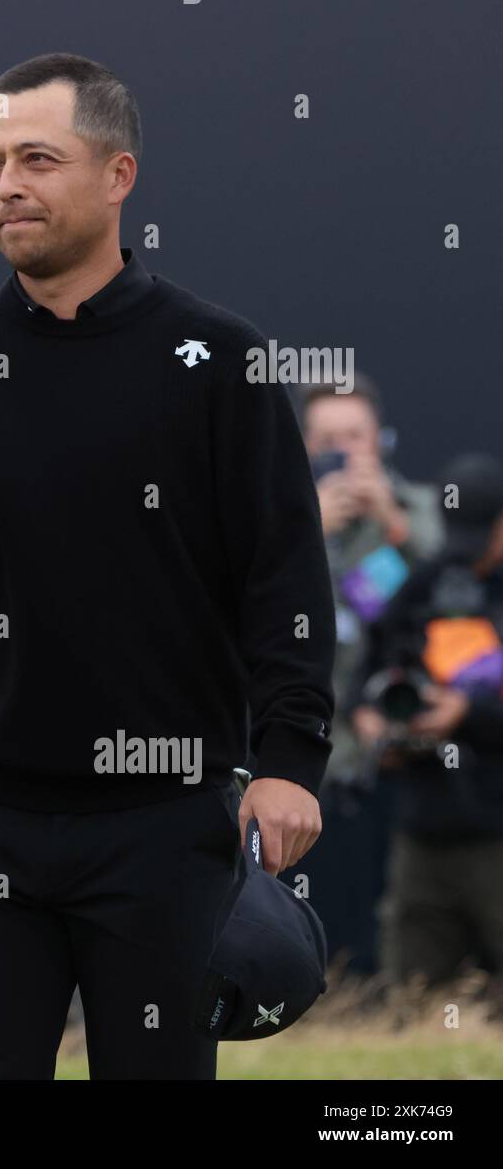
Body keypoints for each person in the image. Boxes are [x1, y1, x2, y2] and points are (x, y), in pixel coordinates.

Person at [0, 52, 335, 1079]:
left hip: (164, 824)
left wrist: (290, 760)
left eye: (37, 159)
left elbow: (283, 579)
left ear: (118, 176)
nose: (6, 185)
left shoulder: (220, 359)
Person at [293, 377, 443, 976]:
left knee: (392, 908)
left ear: (379, 440)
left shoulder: (420, 510)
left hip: (396, 747)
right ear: (305, 444)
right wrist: (304, 525)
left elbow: (462, 586)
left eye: (354, 437)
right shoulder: (278, 508)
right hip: (302, 746)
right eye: (326, 439)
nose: (342, 451)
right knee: (308, 906)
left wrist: (393, 522)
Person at [349, 454, 503, 995]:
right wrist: (372, 719)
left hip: (496, 825)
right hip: (424, 829)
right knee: (414, 992)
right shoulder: (418, 584)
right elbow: (365, 677)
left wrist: (467, 710)